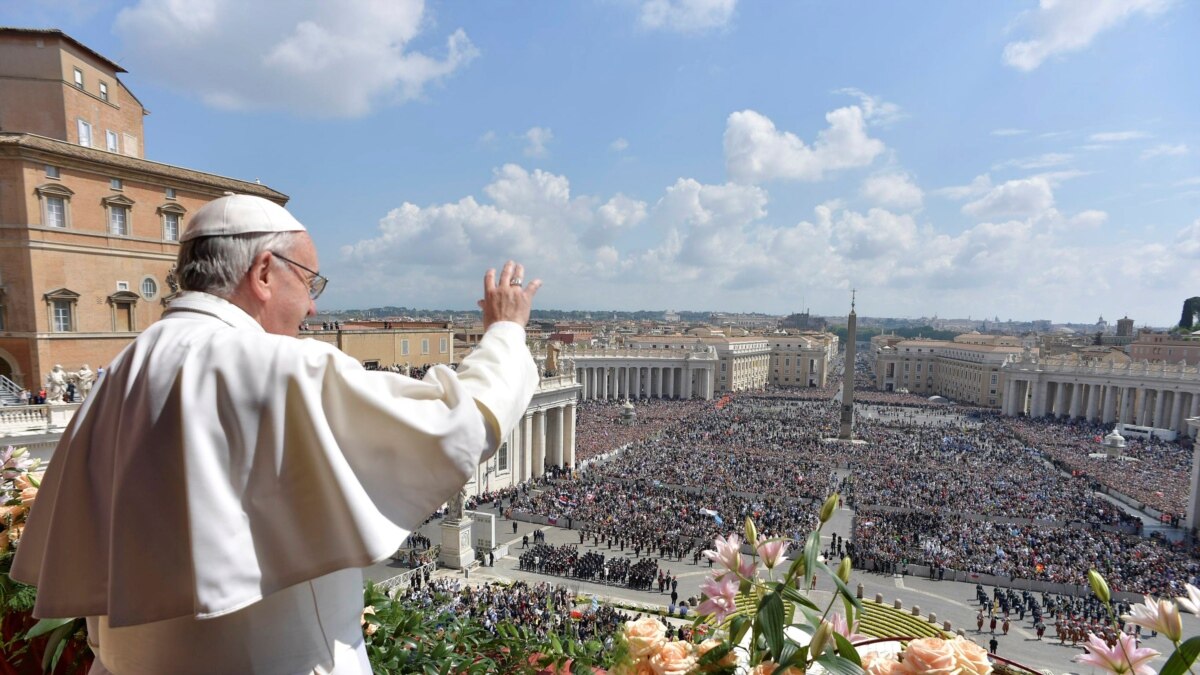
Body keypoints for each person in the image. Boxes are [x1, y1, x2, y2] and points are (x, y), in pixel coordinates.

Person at [11, 194, 542, 675]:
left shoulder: (123, 370)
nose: (312, 307)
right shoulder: (271, 365)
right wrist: (506, 332)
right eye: (310, 284)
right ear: (265, 271)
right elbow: (457, 424)